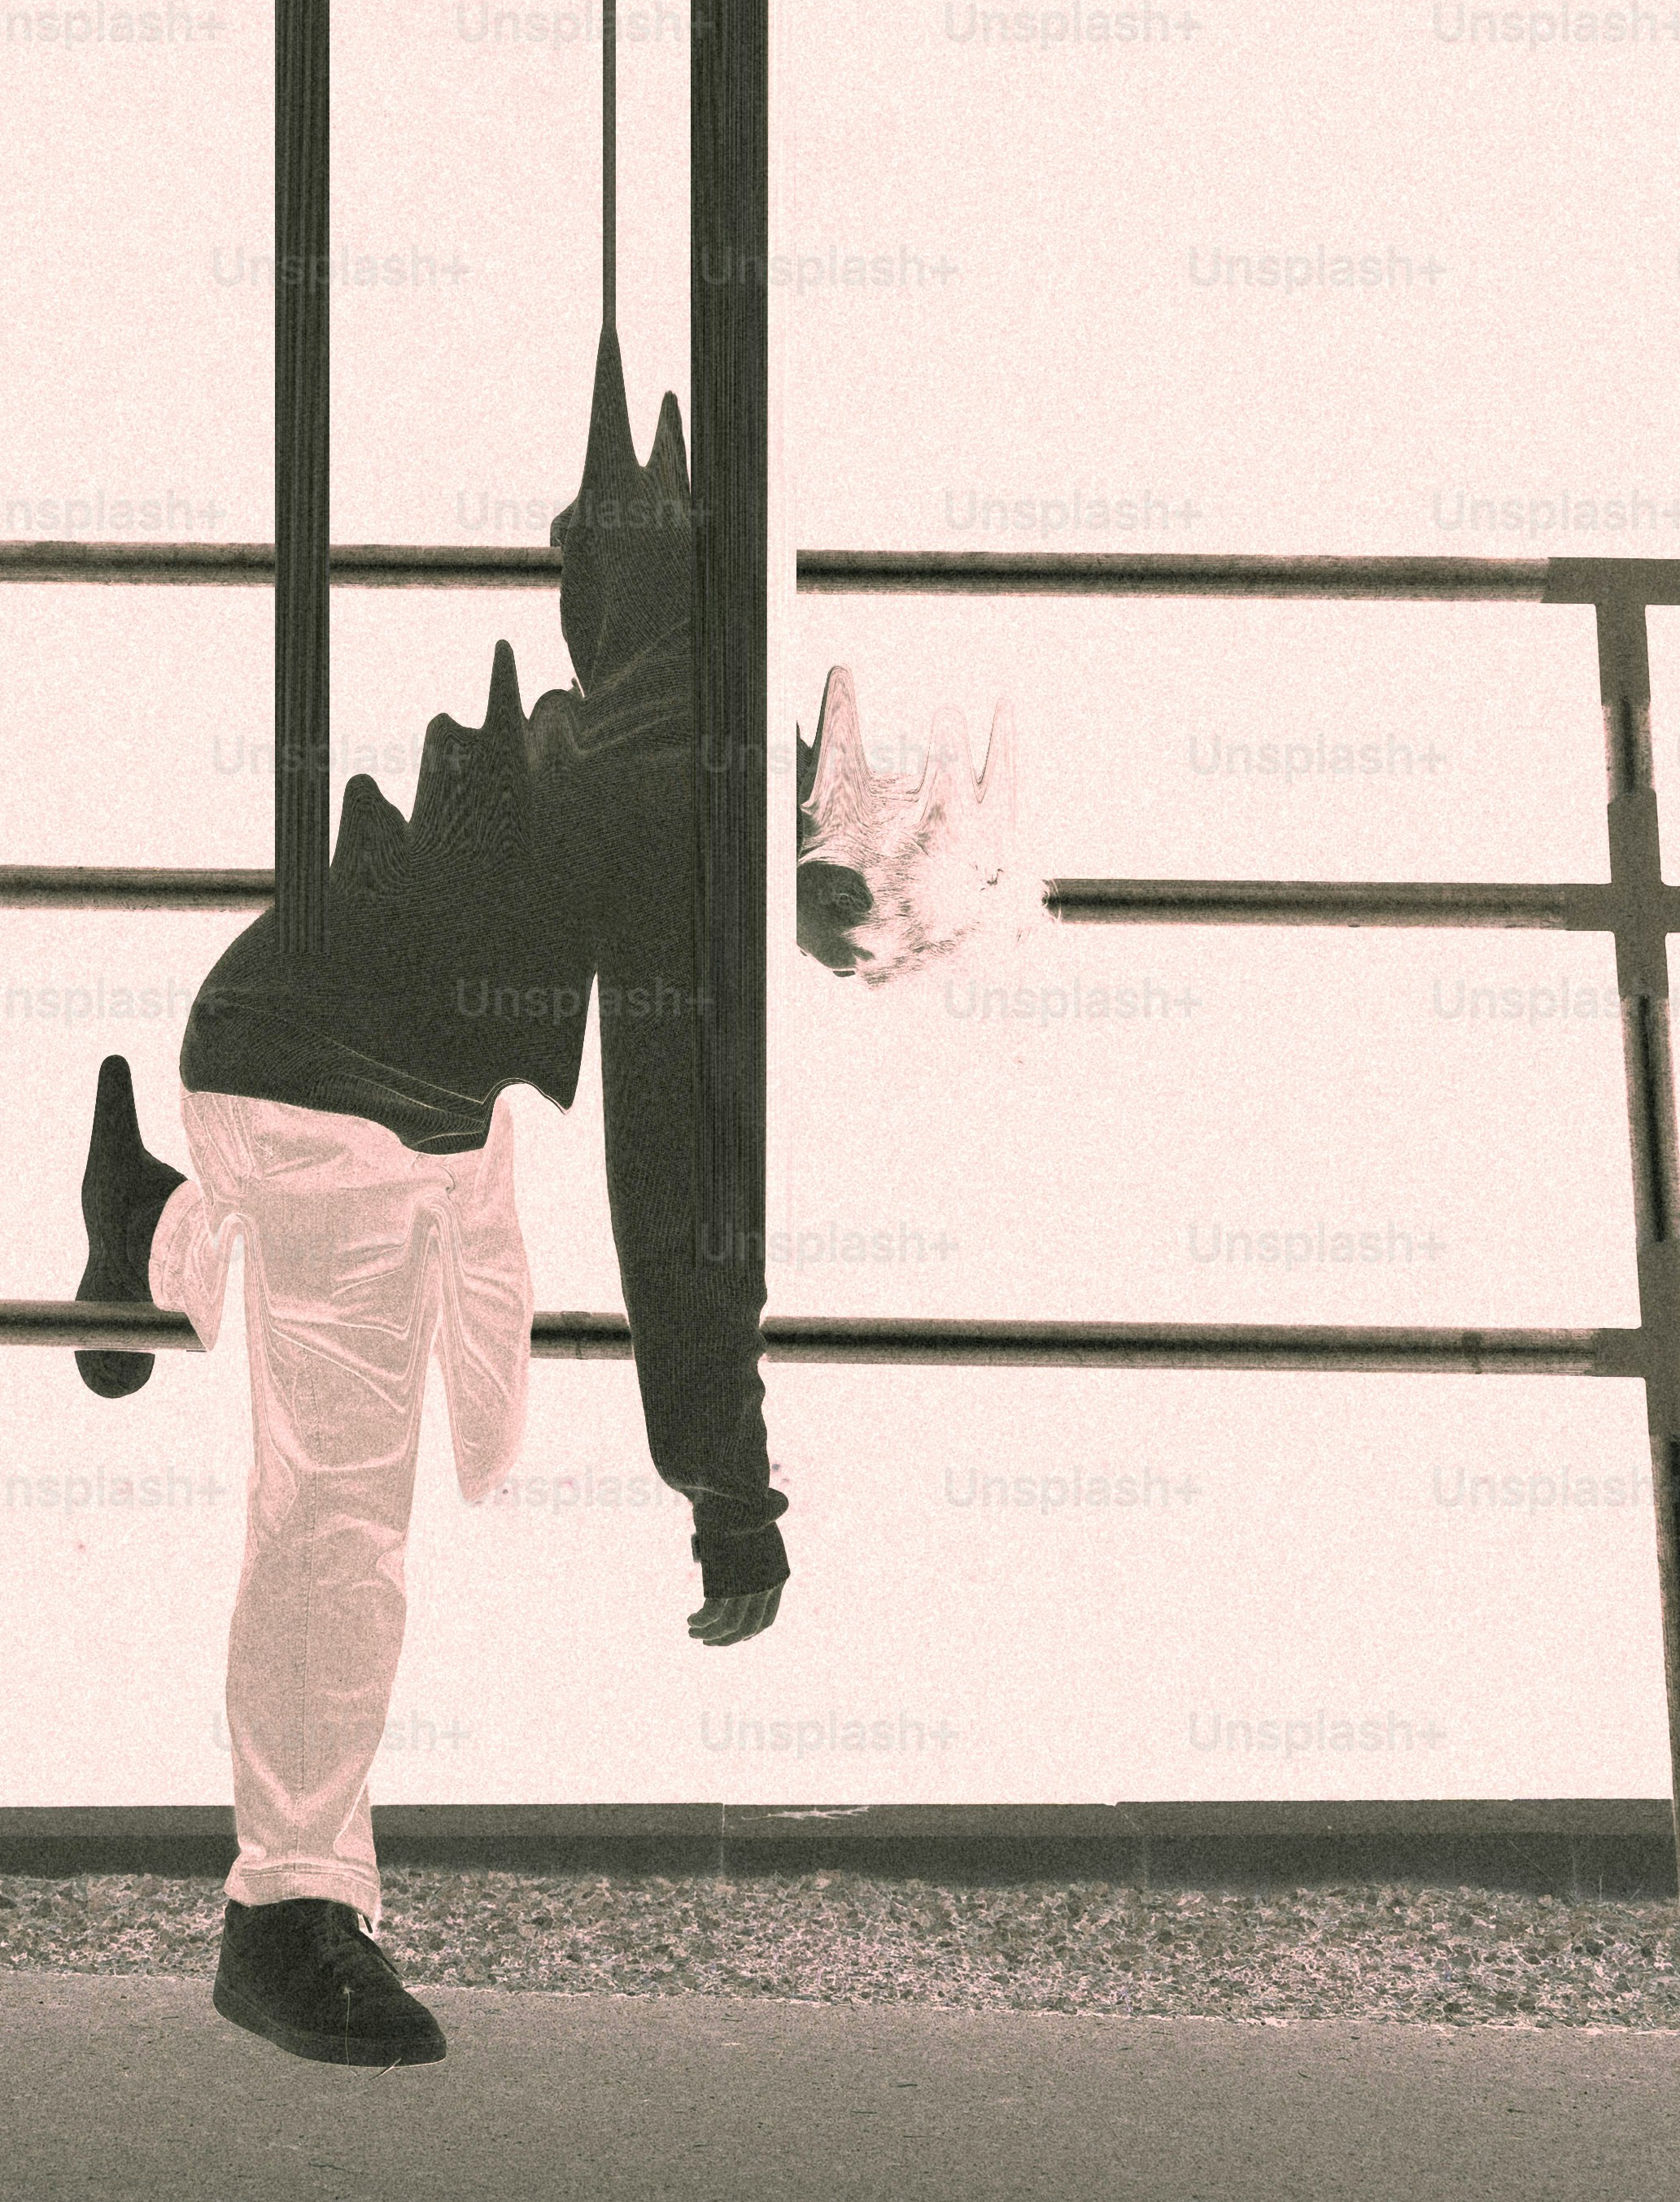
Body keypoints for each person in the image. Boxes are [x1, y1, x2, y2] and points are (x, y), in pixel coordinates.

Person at [65, 309, 1037, 2066]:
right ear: (838, 874)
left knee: (399, 1340)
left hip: (360, 1047)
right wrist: (723, 1479)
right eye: (860, 937)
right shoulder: (701, 805)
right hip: (329, 1072)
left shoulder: (688, 726)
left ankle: (148, 1227)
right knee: (342, 1504)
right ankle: (286, 1905)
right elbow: (676, 1182)